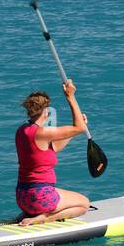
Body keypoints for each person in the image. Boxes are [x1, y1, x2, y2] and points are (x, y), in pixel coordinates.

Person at [14, 81, 91, 226]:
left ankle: (33, 213)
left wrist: (73, 133)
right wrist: (70, 96)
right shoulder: (42, 132)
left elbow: (53, 148)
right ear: (46, 112)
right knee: (84, 204)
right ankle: (44, 218)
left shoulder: (22, 131)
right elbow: (79, 127)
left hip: (22, 198)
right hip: (40, 198)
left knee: (56, 192)